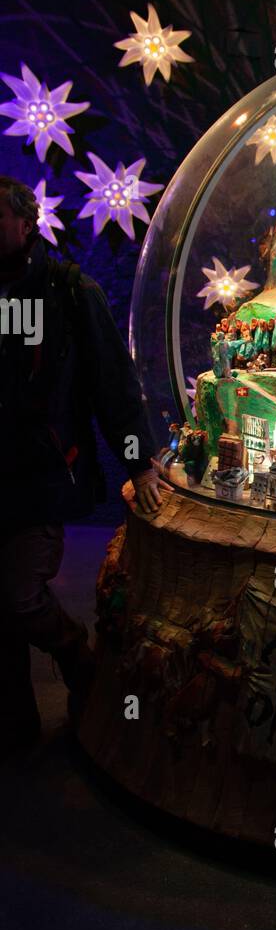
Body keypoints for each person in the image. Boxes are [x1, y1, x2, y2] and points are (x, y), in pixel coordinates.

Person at [0, 177, 165, 755]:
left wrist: (138, 463)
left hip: (41, 481)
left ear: (26, 223)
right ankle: (16, 728)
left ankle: (77, 656)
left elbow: (112, 388)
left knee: (18, 596)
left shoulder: (70, 292)